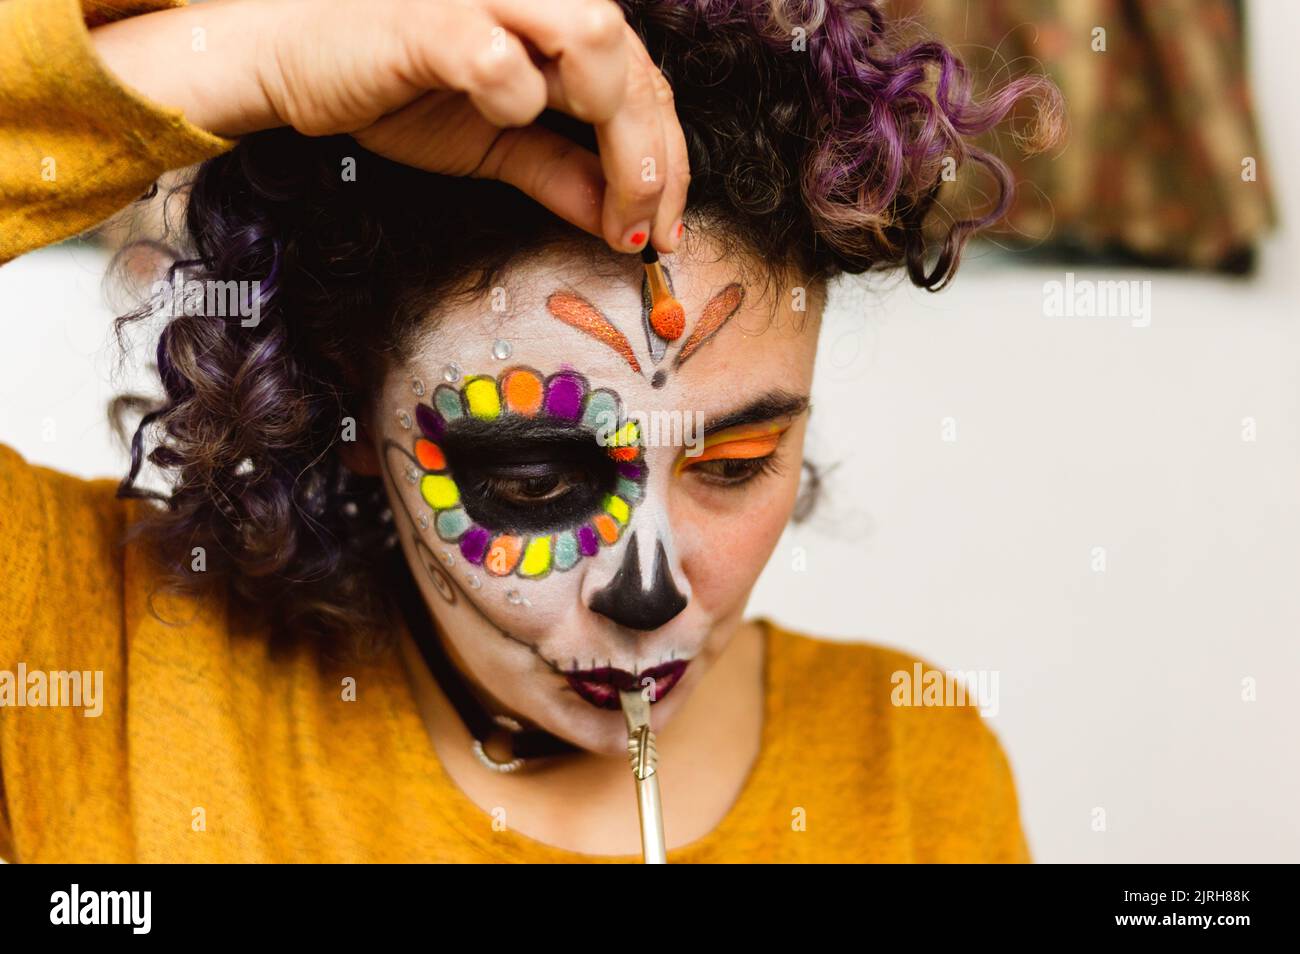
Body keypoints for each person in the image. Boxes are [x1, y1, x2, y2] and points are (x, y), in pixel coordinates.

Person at [0, 0, 1060, 862]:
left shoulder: (912, 771)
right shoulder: (89, 666)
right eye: (533, 475)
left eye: (735, 464)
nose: (649, 592)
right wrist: (239, 51)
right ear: (345, 396)